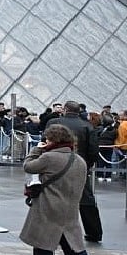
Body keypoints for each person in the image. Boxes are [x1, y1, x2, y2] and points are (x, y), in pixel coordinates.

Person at [20, 124, 103, 255]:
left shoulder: (49, 158)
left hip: (48, 205)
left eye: (47, 138)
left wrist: (36, 150)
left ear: (52, 140)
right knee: (72, 242)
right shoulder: (79, 160)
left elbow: (28, 166)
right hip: (70, 207)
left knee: (44, 238)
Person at [45, 101, 102, 243]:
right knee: (86, 199)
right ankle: (94, 232)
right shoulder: (87, 126)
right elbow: (94, 150)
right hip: (79, 166)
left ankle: (52, 231)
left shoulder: (54, 122)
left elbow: (45, 142)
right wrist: (86, 165)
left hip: (55, 165)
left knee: (54, 197)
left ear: (65, 109)